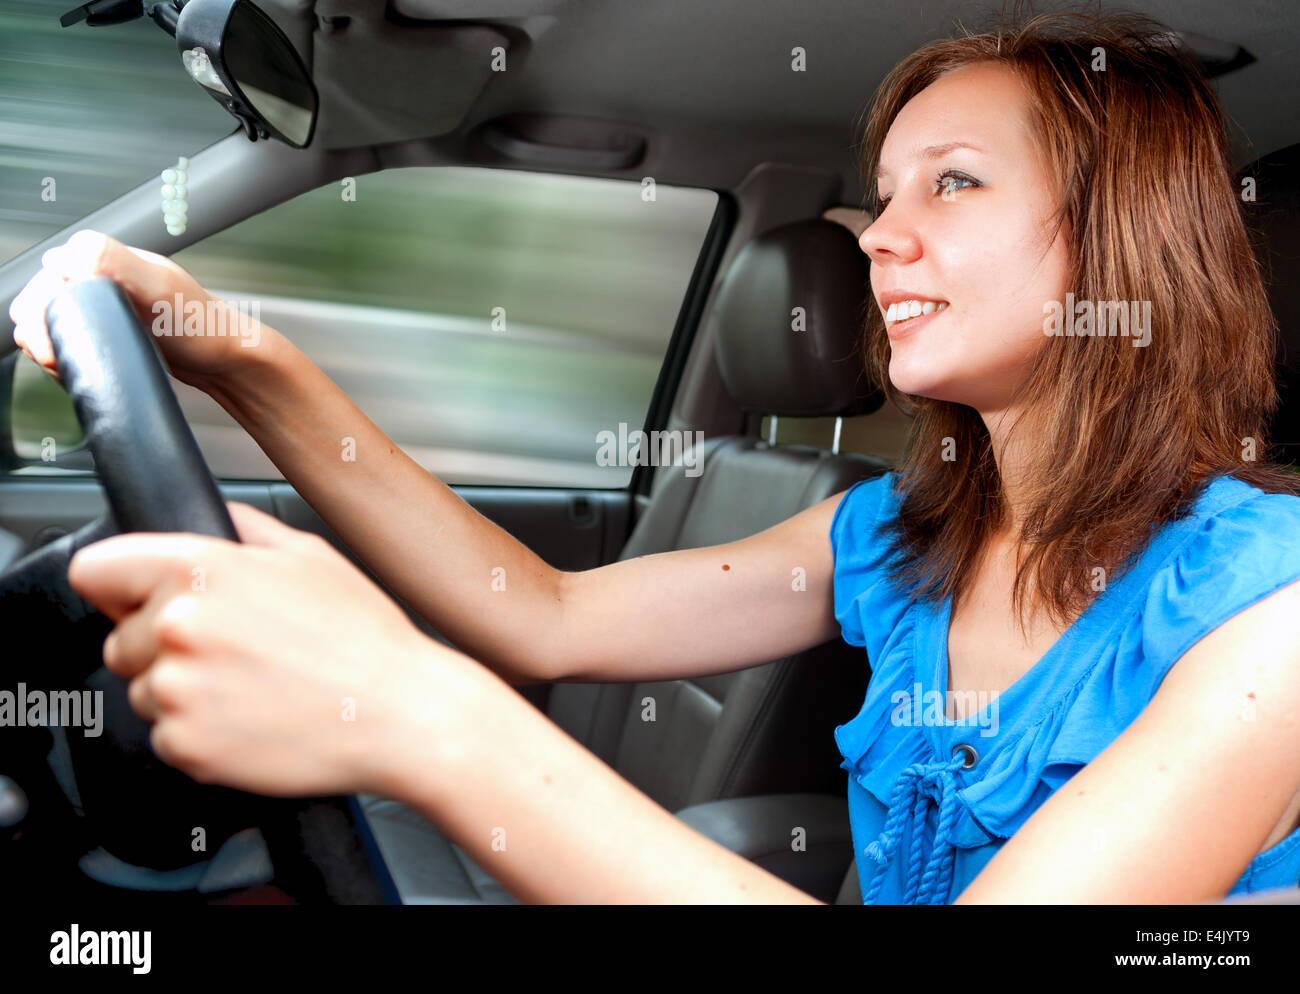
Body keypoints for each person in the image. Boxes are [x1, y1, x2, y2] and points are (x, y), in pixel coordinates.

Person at [9, 9, 1300, 904]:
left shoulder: (1271, 611)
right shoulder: (896, 535)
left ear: (1120, 241)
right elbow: (543, 615)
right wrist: (247, 359)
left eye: (952, 184)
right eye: (884, 193)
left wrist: (407, 706)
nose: (878, 237)